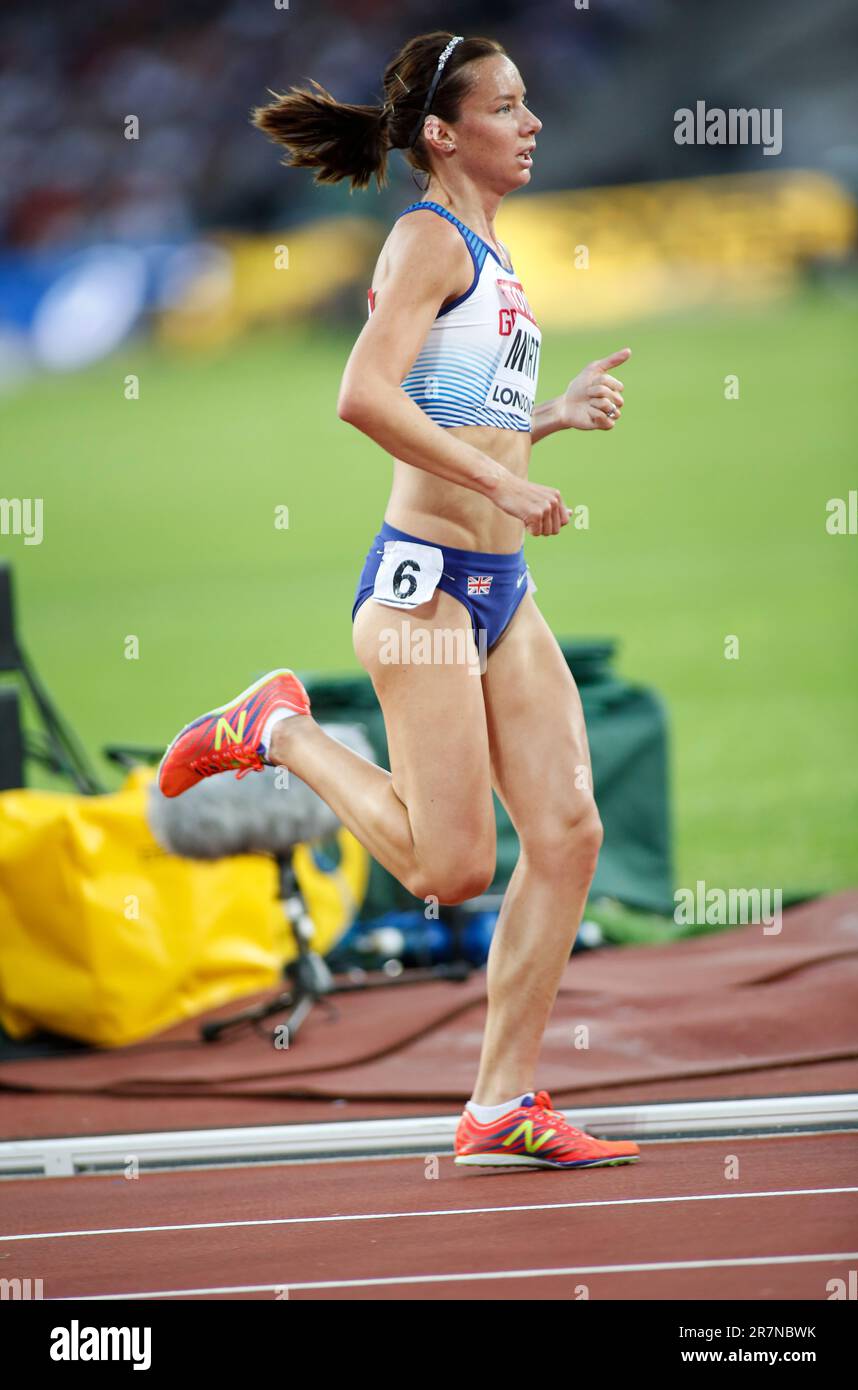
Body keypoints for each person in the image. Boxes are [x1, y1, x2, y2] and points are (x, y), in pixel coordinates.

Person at [159, 31, 637, 1170]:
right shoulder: (426, 239)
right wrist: (501, 483)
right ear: (442, 131)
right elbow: (361, 394)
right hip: (421, 592)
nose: (530, 124)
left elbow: (458, 415)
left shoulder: (493, 253)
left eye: (528, 105)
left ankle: (498, 1103)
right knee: (447, 872)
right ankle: (273, 726)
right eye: (508, 106)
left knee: (566, 833)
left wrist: (549, 419)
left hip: (498, 589)